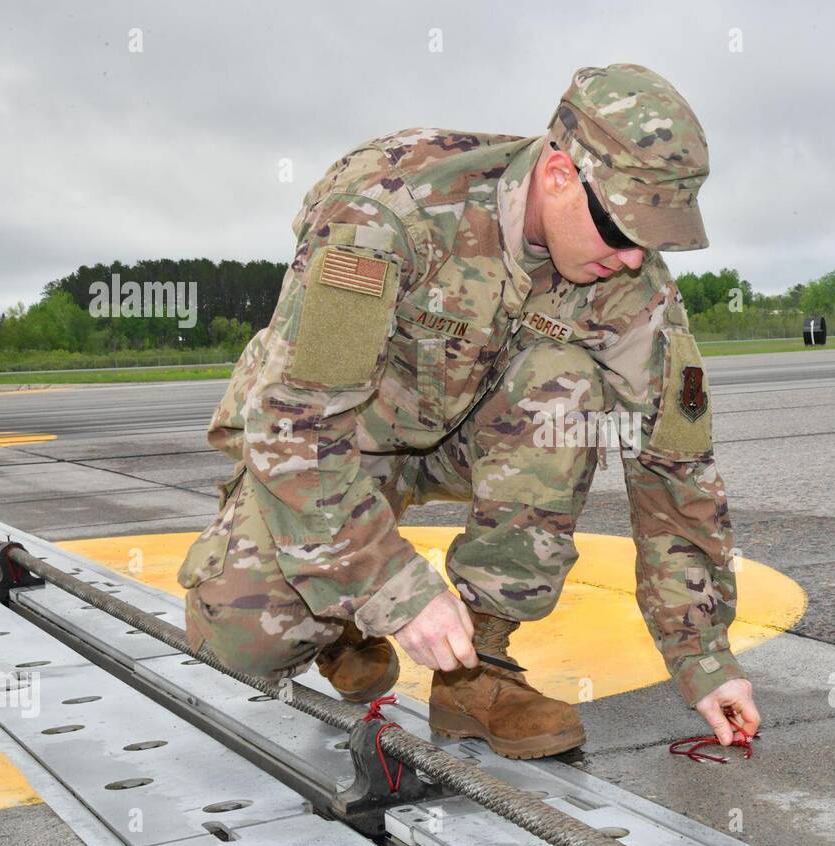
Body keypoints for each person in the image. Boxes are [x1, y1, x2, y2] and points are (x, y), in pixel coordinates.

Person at [177, 63, 760, 759]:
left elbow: (676, 467)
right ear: (557, 175)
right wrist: (393, 588)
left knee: (565, 384)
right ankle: (340, 617)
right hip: (343, 442)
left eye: (653, 237)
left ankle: (475, 669)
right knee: (242, 647)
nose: (634, 256)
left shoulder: (630, 286)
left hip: (469, 439)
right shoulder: (389, 209)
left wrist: (705, 660)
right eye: (620, 227)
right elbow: (296, 424)